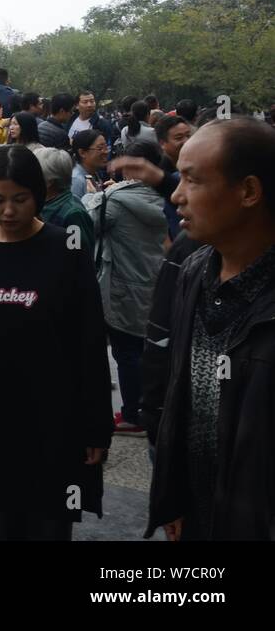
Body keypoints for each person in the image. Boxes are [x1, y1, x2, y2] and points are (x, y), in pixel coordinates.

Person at [0, 145, 111, 541]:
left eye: (20, 199)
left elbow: (89, 340)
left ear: (40, 194)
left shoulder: (66, 249)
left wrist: (96, 427)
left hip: (52, 419)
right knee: (1, 524)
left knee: (50, 523)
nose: (8, 211)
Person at [145, 118, 275, 540]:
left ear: (249, 192)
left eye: (193, 181)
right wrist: (172, 496)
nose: (177, 196)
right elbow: (178, 397)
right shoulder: (194, 269)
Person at [82, 139, 168, 436]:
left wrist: (94, 197)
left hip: (121, 284)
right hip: (154, 280)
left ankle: (133, 414)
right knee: (147, 348)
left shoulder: (115, 201)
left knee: (126, 352)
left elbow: (87, 225)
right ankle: (152, 407)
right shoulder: (166, 196)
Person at [35, 147, 95, 249]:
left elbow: (77, 255)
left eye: (34, 174)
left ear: (49, 181)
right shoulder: (41, 204)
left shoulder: (73, 214)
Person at [71, 129, 109, 198]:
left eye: (106, 147)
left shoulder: (93, 172)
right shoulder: (76, 180)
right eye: (100, 148)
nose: (106, 152)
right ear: (82, 153)